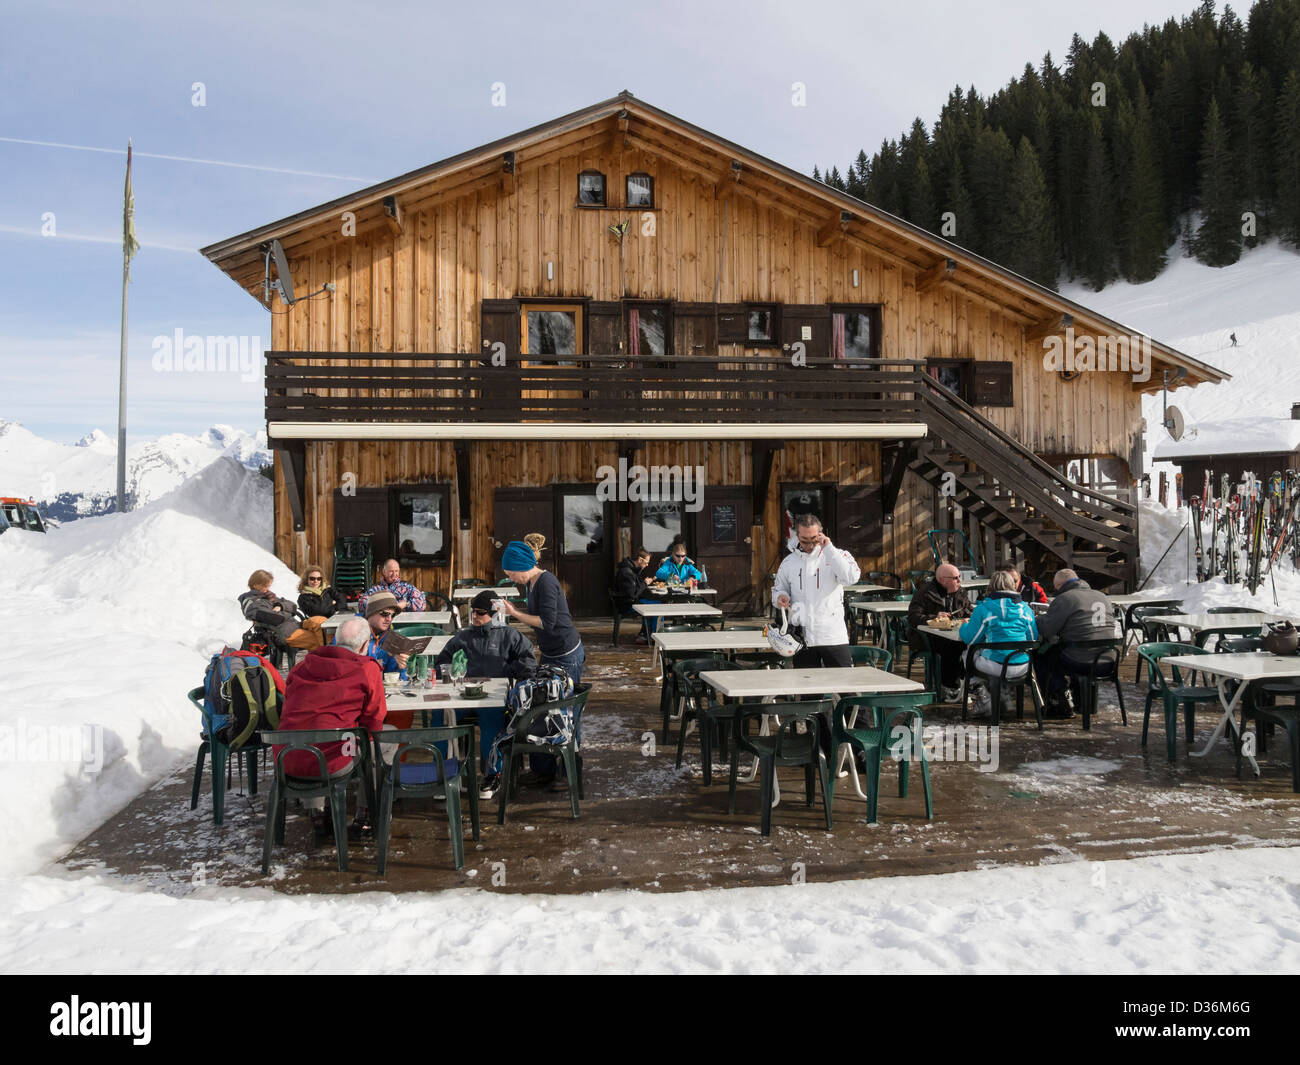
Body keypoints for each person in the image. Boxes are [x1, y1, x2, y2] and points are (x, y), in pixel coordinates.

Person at [274, 615, 386, 839]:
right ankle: (365, 814)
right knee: (378, 745)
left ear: (334, 641)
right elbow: (374, 719)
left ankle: (316, 811)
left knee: (310, 731)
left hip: (287, 758)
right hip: (332, 760)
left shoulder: (301, 667)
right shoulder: (366, 669)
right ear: (366, 646)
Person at [497, 539, 584, 791]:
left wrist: (514, 613)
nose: (512, 579)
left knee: (565, 713)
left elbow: (548, 622)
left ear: (522, 567)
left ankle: (569, 774)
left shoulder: (546, 582)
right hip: (550, 653)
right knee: (541, 708)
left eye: (511, 574)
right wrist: (516, 611)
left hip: (566, 654)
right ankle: (543, 771)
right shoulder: (532, 584)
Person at [435, 589, 537, 799]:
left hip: (493, 695)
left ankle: (492, 774)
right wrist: (451, 669)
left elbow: (529, 663)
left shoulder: (509, 635)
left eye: (480, 613)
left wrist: (508, 670)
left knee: (492, 720)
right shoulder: (463, 637)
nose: (474, 617)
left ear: (493, 614)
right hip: (463, 693)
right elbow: (442, 661)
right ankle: (443, 772)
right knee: (440, 714)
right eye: (473, 612)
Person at [773, 514, 861, 671]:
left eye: (814, 539)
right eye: (804, 540)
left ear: (821, 533)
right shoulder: (789, 562)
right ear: (796, 536)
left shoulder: (837, 555)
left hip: (832, 635)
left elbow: (851, 577)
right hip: (802, 637)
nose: (810, 545)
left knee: (845, 686)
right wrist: (780, 597)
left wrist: (829, 549)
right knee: (808, 692)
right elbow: (779, 588)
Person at [1034, 568, 1117, 718]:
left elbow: (1047, 630)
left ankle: (1059, 701)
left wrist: (1036, 619)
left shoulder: (1065, 598)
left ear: (1059, 586)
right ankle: (1081, 701)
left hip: (1080, 661)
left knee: (1041, 657)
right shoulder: (1102, 596)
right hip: (1108, 660)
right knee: (1074, 646)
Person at [958, 569, 1040, 718]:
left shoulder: (984, 609)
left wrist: (963, 626)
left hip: (997, 666)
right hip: (1023, 666)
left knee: (967, 654)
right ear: (1013, 586)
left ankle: (984, 697)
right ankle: (1004, 695)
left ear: (990, 587)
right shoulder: (1026, 609)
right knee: (995, 654)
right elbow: (1032, 638)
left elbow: (971, 638)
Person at [907, 562, 974, 701]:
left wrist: (970, 617)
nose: (959, 580)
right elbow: (913, 617)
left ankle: (968, 683)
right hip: (928, 637)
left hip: (955, 632)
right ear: (942, 580)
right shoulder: (925, 593)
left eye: (959, 577)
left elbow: (968, 610)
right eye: (955, 577)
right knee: (951, 647)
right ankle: (949, 686)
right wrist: (934, 617)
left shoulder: (960, 592)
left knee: (972, 645)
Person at [239, 569, 327, 653]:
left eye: (269, 585)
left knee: (321, 622)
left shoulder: (268, 596)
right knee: (321, 639)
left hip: (295, 625)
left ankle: (327, 655)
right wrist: (289, 612)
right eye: (266, 585)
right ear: (255, 585)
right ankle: (327, 659)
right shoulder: (253, 604)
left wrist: (281, 606)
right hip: (284, 634)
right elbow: (276, 618)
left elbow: (293, 605)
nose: (268, 588)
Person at [357, 591, 410, 676]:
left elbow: (395, 681)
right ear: (371, 613)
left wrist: (401, 668)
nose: (389, 619)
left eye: (393, 615)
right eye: (385, 614)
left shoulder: (393, 640)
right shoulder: (351, 631)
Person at [613, 547, 655, 643]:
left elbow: (634, 587)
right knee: (655, 607)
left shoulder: (630, 569)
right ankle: (651, 635)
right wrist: (644, 583)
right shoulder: (626, 572)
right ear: (640, 560)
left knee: (654, 603)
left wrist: (643, 581)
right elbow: (633, 594)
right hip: (626, 606)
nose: (647, 565)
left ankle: (645, 633)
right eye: (646, 562)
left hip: (629, 602)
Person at [360, 559, 426, 613]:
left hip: (403, 622)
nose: (394, 574)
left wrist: (406, 604)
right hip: (382, 622)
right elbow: (362, 604)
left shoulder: (407, 587)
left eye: (396, 571)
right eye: (391, 571)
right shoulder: (376, 588)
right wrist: (382, 607)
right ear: (384, 571)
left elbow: (422, 603)